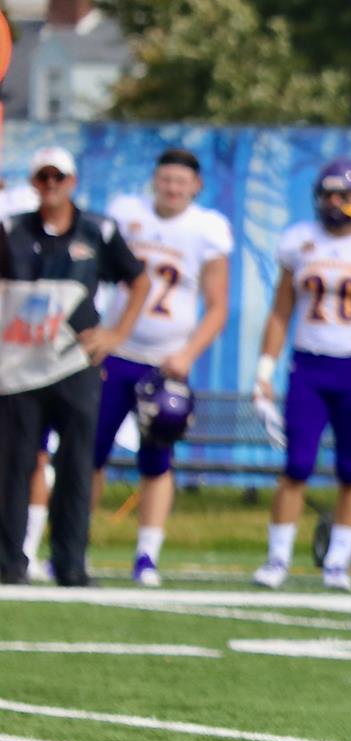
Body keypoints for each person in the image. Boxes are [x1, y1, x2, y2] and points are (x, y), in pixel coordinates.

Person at [248, 158, 351, 591]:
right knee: (296, 464)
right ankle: (277, 557)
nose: (336, 204)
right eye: (329, 195)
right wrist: (264, 370)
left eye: (345, 196)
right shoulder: (300, 242)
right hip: (310, 365)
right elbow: (281, 311)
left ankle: (338, 561)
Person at [0, 146, 150, 587]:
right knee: (14, 466)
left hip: (74, 362)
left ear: (72, 182)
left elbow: (139, 279)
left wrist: (116, 335)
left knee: (76, 464)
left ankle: (71, 563)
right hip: (20, 367)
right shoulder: (11, 230)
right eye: (43, 178)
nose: (50, 185)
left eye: (58, 177)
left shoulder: (98, 230)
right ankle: (9, 562)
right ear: (33, 183)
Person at [95, 148, 233, 586]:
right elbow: (99, 279)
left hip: (165, 363)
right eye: (166, 179)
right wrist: (100, 336)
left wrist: (187, 355)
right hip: (117, 353)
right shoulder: (126, 214)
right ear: (154, 180)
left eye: (181, 181)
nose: (172, 188)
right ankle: (69, 547)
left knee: (156, 460)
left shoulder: (207, 229)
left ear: (196, 187)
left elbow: (217, 306)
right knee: (89, 454)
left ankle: (147, 556)